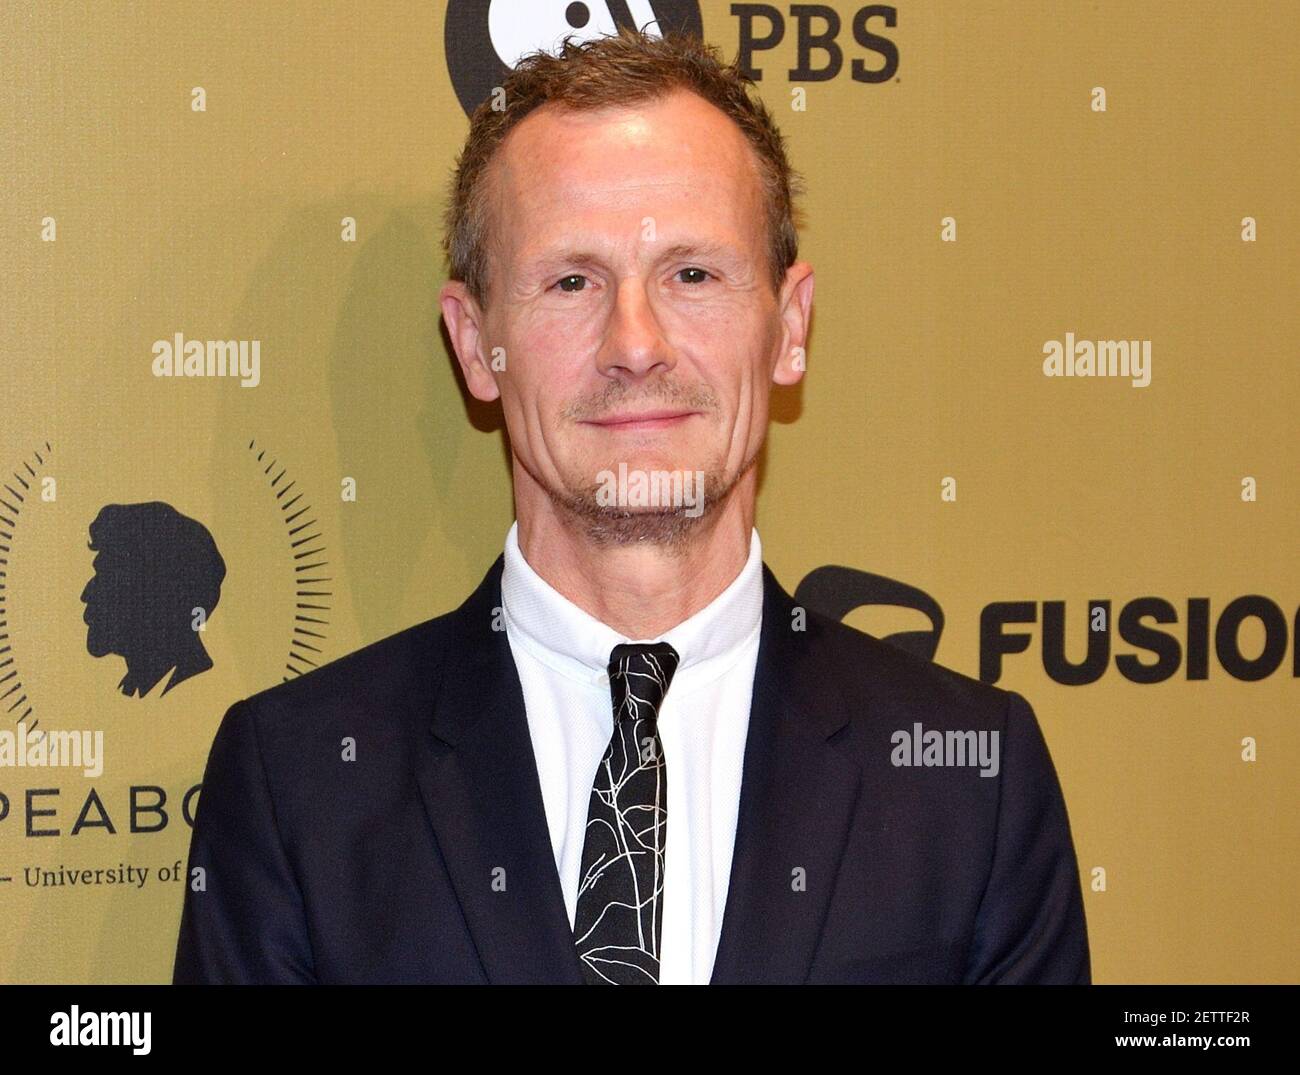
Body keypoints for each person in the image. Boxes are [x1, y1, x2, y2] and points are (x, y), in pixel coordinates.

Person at [173, 27, 1090, 985]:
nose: (635, 343)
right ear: (474, 341)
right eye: (572, 281)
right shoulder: (300, 784)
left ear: (791, 327)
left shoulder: (970, 780)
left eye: (692, 274)